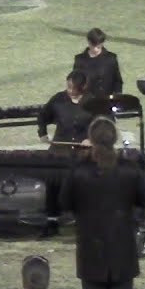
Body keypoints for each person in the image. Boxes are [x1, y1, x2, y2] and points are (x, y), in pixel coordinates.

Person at [59, 118, 145, 289]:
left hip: (91, 242)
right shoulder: (129, 169)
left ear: (91, 139)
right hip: (122, 241)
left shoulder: (79, 171)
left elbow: (65, 202)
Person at [38, 71, 92, 238]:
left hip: (84, 152)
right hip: (60, 149)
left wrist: (91, 139)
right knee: (53, 180)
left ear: (82, 87)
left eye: (73, 88)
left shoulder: (94, 102)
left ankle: (83, 219)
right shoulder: (58, 99)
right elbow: (43, 116)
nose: (69, 91)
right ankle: (52, 220)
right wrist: (43, 133)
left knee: (84, 183)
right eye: (68, 86)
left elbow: (106, 122)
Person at [72, 28, 123, 101]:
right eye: (93, 46)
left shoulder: (111, 58)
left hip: (106, 101)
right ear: (89, 42)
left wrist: (116, 97)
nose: (95, 49)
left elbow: (117, 81)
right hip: (86, 102)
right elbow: (75, 82)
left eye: (98, 46)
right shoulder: (80, 60)